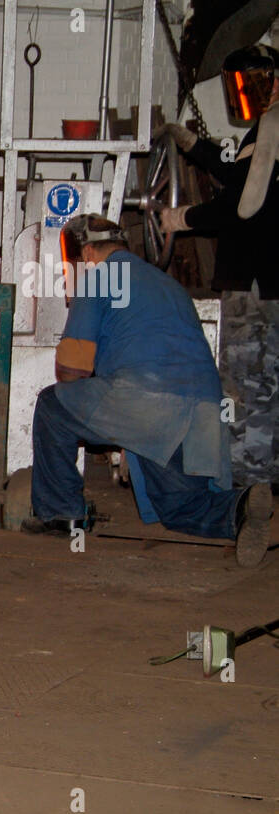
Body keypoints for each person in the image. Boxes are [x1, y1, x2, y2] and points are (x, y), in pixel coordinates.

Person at [25, 214, 272, 568]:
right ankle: (241, 508)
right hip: (205, 410)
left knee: (52, 405)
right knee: (179, 507)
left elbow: (71, 372)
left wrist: (116, 423)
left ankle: (60, 514)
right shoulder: (168, 284)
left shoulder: (98, 278)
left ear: (89, 253)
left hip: (149, 404)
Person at [158, 44, 279, 486]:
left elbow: (240, 206)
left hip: (256, 287)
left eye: (255, 83)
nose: (247, 94)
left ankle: (249, 487)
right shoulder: (267, 132)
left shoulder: (274, 124)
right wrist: (195, 146)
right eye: (241, 86)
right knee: (268, 385)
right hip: (268, 284)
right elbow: (239, 175)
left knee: (247, 388)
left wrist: (182, 217)